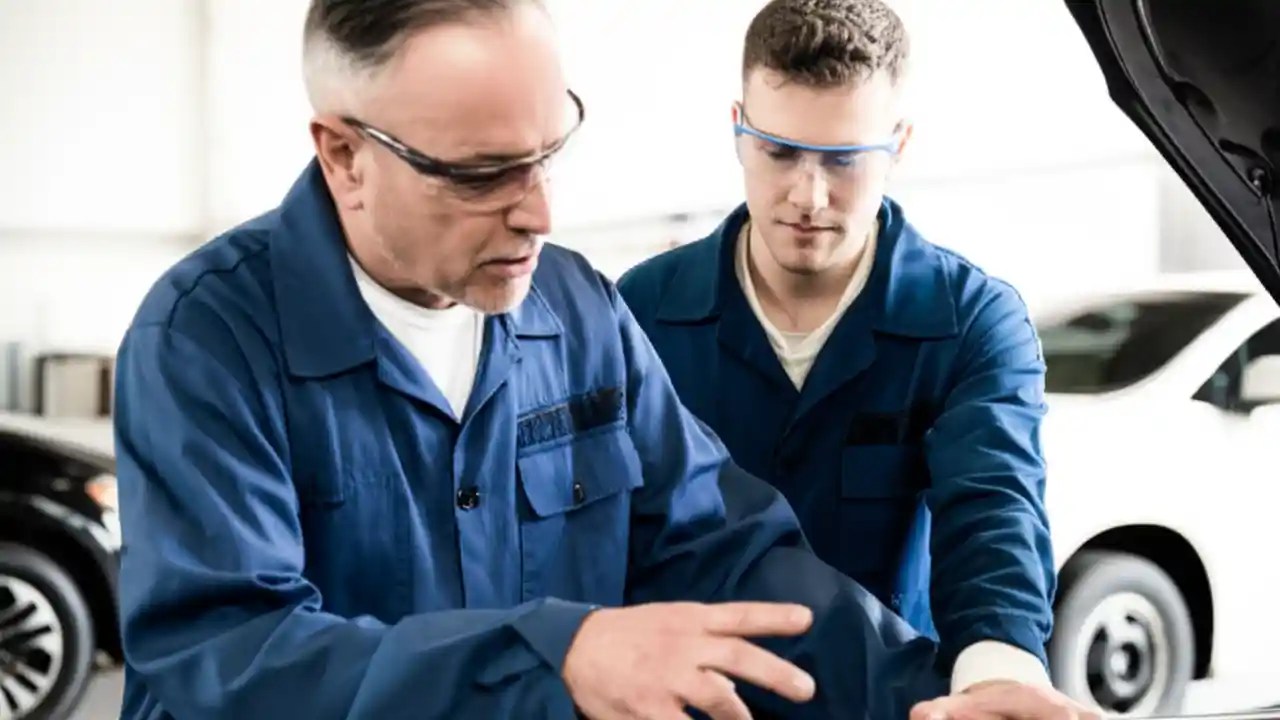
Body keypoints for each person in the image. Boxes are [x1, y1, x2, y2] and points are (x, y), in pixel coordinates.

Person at [112, 0, 1089, 718]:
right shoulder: (207, 343)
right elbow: (230, 655)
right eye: (484, 173)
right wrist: (555, 658)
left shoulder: (575, 313)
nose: (537, 212)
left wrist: (942, 693)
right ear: (343, 157)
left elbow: (720, 549)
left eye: (545, 155)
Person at [617, 0, 1058, 697]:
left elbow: (994, 509)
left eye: (845, 159)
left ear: (900, 144)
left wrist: (999, 671)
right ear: (738, 130)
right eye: (780, 151)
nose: (809, 194)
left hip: (890, 703)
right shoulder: (638, 314)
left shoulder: (972, 321)